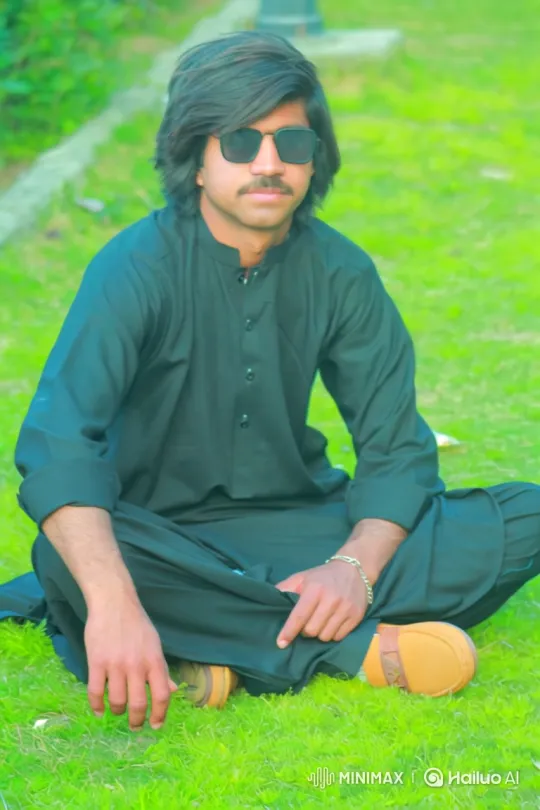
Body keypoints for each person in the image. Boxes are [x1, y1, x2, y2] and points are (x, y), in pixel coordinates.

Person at [1, 31, 539, 735]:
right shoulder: (133, 267)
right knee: (71, 557)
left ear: (315, 163)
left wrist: (353, 569)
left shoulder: (342, 273)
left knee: (524, 517)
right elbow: (58, 446)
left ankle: (209, 642)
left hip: (303, 529)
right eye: (240, 142)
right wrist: (114, 601)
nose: (269, 165)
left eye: (292, 145)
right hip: (162, 534)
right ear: (194, 159)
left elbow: (396, 452)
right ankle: (346, 650)